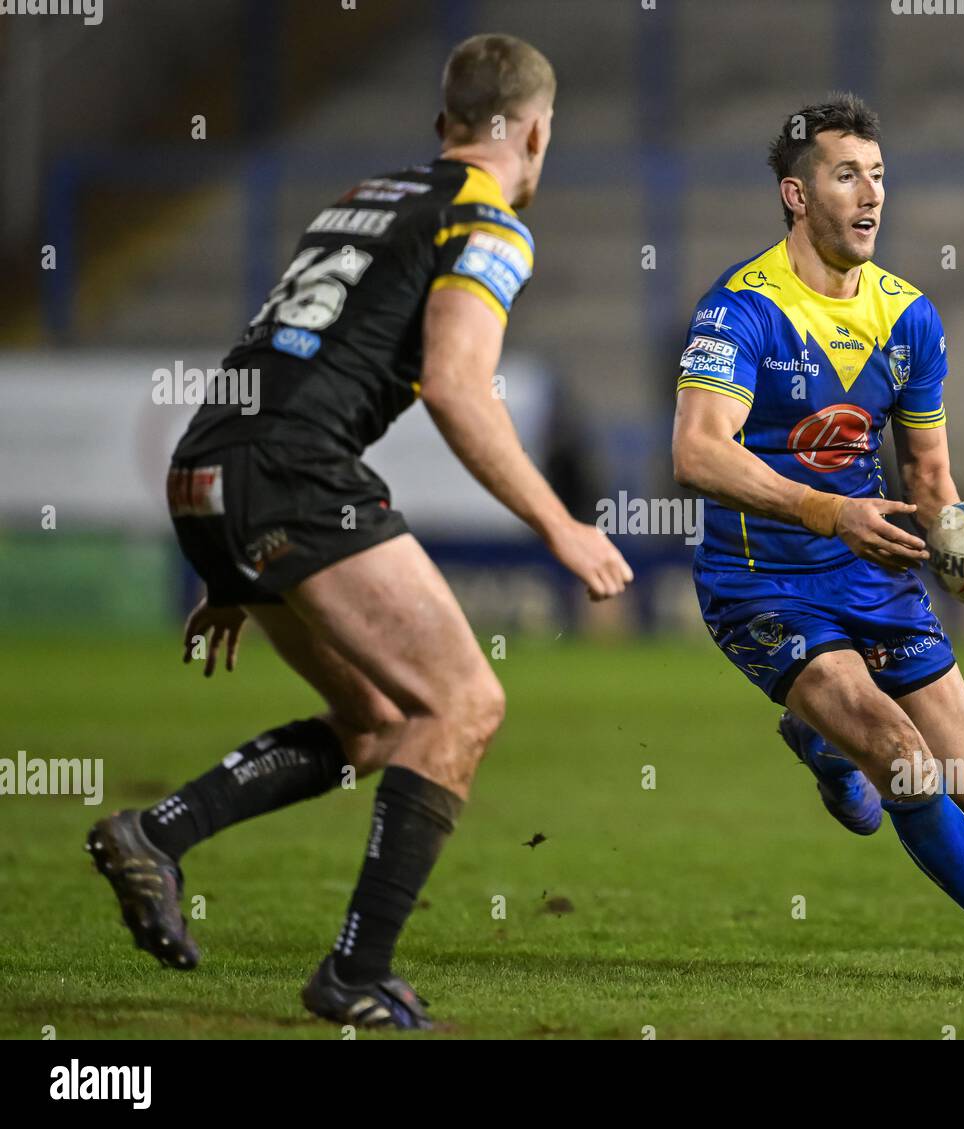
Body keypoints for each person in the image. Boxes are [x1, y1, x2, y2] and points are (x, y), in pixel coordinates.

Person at [87, 33, 632, 1029]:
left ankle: (156, 832)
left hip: (212, 465)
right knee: (463, 705)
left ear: (444, 127)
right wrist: (559, 522)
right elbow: (460, 388)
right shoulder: (491, 221)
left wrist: (236, 548)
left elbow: (289, 347)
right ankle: (353, 975)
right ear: (537, 132)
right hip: (291, 471)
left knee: (382, 719)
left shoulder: (361, 198)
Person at [671, 94, 964, 988]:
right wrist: (832, 514)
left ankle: (824, 745)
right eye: (846, 175)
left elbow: (931, 482)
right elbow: (698, 453)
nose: (870, 195)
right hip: (764, 582)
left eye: (879, 176)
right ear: (796, 194)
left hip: (877, 577)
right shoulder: (740, 311)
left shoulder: (911, 319)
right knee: (906, 764)